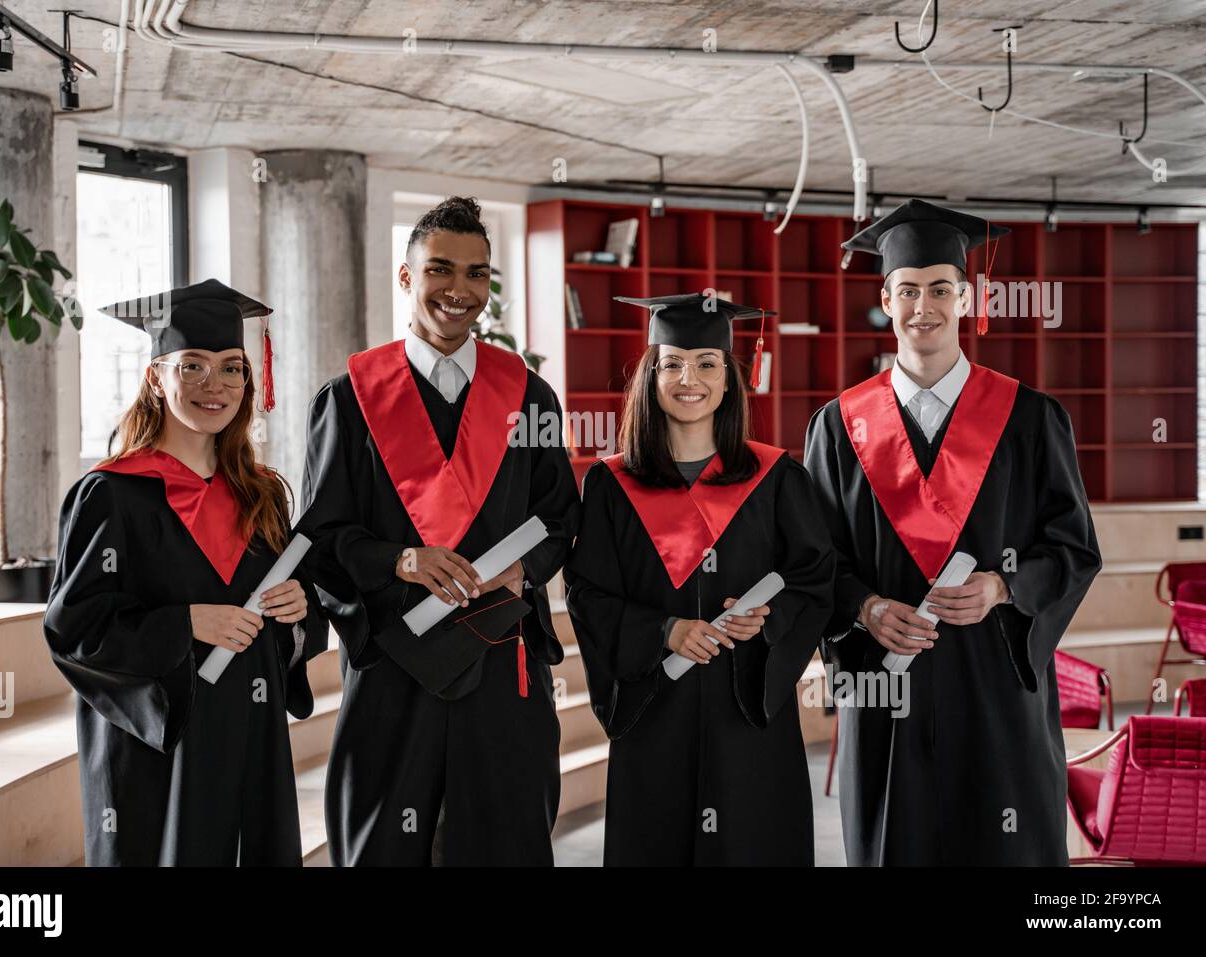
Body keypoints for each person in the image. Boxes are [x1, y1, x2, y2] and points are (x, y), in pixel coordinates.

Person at [805, 199, 1102, 866]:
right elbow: (815, 559)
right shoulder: (837, 427)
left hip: (994, 678)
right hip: (887, 681)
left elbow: (1074, 549)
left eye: (941, 288)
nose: (923, 306)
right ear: (886, 297)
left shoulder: (1031, 419)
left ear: (968, 297)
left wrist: (1004, 586)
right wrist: (865, 605)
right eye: (907, 290)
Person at [295, 196, 580, 866]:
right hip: (396, 660)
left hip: (500, 657)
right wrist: (400, 561)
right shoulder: (349, 400)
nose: (460, 290)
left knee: (507, 842)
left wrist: (524, 569)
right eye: (440, 270)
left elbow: (562, 517)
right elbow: (321, 537)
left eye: (478, 274)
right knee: (382, 845)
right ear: (405, 277)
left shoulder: (529, 397)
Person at [44, 278, 328, 866]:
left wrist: (297, 614)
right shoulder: (111, 496)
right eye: (191, 366)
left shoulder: (263, 494)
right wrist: (185, 623)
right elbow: (75, 632)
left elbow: (289, 635)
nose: (213, 385)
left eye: (231, 368)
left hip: (249, 737)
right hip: (160, 751)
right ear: (155, 377)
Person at [564, 292, 834, 866]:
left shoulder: (777, 476)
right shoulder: (611, 485)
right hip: (655, 704)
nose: (691, 378)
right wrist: (663, 630)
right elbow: (586, 594)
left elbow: (814, 577)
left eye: (708, 363)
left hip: (749, 708)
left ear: (731, 380)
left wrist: (772, 617)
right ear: (651, 376)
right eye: (673, 364)